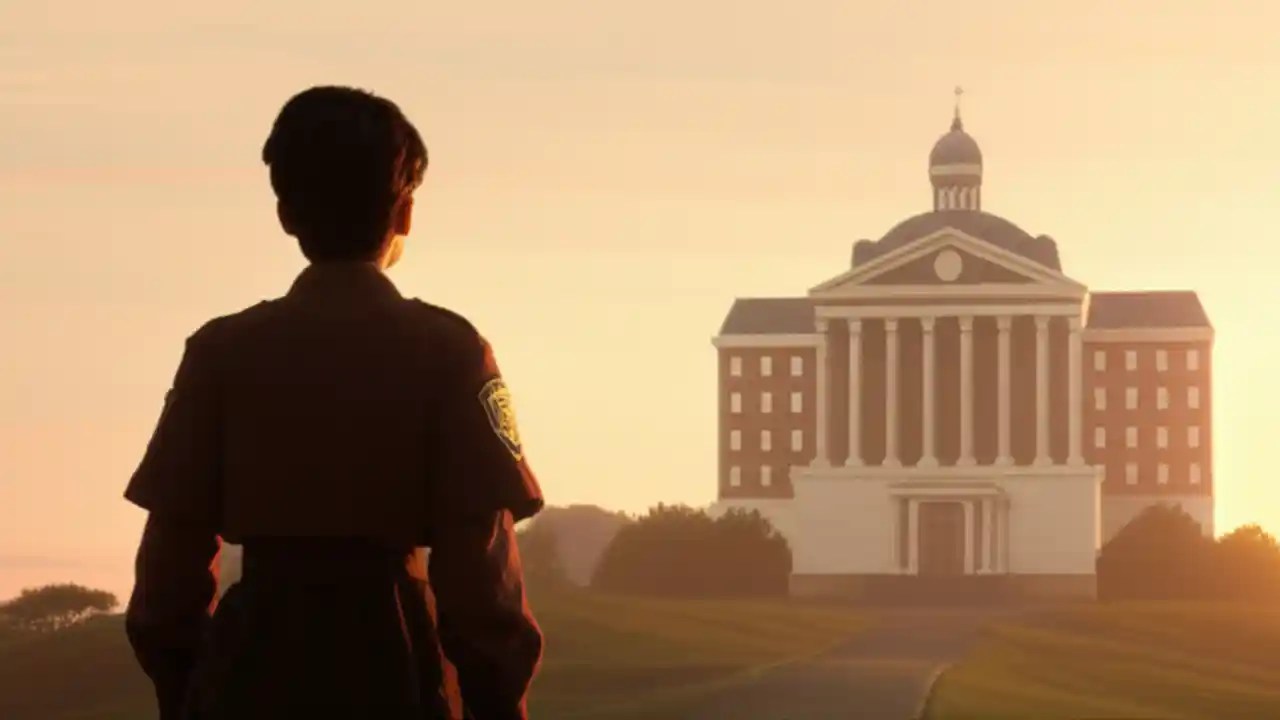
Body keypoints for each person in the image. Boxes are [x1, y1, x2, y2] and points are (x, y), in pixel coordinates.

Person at [122, 85, 545, 720]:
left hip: (249, 677)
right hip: (395, 676)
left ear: (285, 213)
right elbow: (483, 580)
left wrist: (192, 693)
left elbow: (167, 573)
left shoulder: (220, 353)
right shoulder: (451, 352)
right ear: (405, 213)